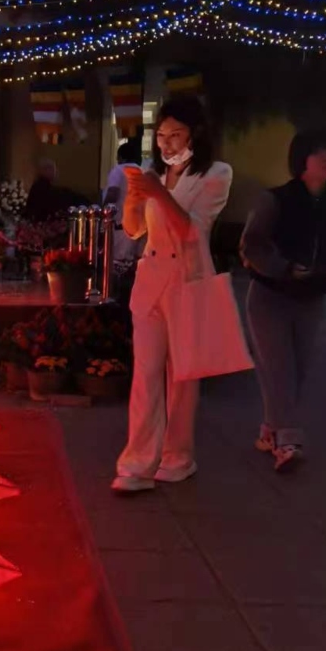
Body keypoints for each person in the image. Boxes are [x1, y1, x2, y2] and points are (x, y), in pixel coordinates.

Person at [112, 96, 233, 493]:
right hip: (151, 279)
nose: (165, 143)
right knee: (145, 374)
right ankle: (136, 463)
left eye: (175, 135)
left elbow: (193, 232)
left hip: (189, 279)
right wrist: (134, 200)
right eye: (161, 135)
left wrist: (158, 194)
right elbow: (133, 230)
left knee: (182, 377)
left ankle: (178, 456)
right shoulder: (153, 174)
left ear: (195, 133)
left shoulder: (216, 173)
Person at [241, 129, 326, 472]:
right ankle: (289, 440)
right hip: (270, 295)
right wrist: (284, 268)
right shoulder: (276, 199)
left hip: (312, 295)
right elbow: (252, 244)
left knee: (296, 371)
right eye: (321, 152)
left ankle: (270, 430)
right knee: (279, 368)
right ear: (302, 158)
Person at [102, 138, 145, 300]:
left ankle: (116, 300)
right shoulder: (142, 172)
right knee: (132, 266)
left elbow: (113, 193)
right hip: (140, 228)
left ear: (120, 157)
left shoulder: (119, 170)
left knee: (116, 266)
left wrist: (102, 210)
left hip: (120, 225)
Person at [22, 158, 87, 223]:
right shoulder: (41, 187)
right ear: (46, 170)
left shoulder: (42, 186)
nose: (55, 172)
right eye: (53, 169)